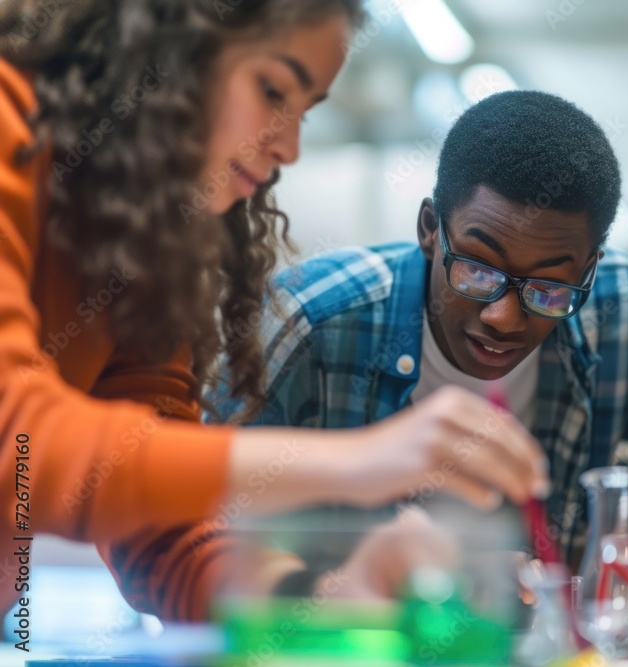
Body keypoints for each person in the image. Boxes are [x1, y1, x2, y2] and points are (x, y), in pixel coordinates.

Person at [0, 0, 548, 621]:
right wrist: (357, 461)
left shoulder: (133, 244)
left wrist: (325, 595)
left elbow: (159, 527)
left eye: (304, 111)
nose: (287, 146)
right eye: (272, 90)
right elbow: (18, 443)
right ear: (169, 49)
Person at [211, 90, 628, 572]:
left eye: (549, 288)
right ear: (430, 228)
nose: (503, 318)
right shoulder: (313, 322)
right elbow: (192, 537)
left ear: (589, 270)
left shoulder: (627, 316)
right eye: (478, 270)